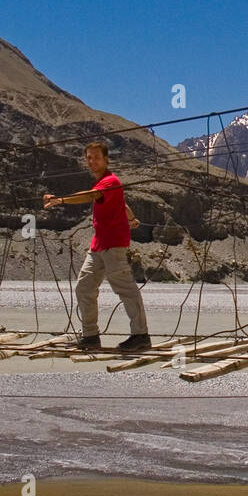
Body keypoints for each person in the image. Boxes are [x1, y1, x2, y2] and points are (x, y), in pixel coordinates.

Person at [43, 141, 151, 351]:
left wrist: (60, 200)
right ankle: (90, 336)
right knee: (84, 287)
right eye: (89, 158)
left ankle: (141, 335)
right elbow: (122, 204)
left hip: (113, 245)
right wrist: (131, 218)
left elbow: (92, 196)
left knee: (125, 289)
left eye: (96, 158)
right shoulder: (103, 184)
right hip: (99, 246)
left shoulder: (110, 181)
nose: (92, 162)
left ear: (106, 159)